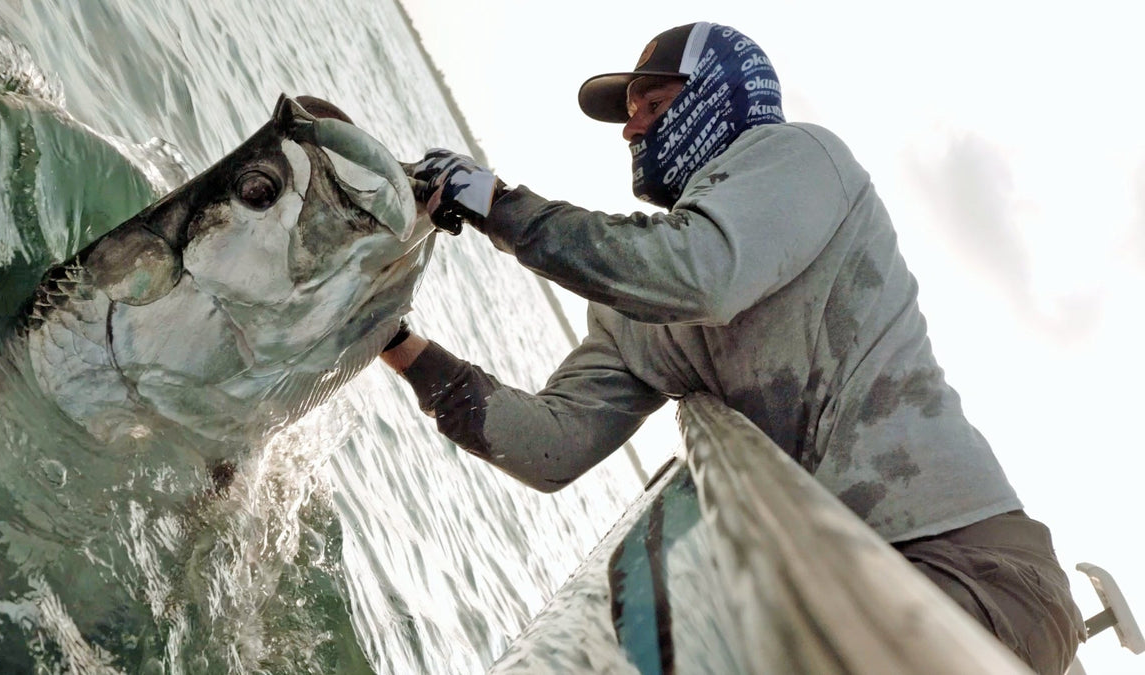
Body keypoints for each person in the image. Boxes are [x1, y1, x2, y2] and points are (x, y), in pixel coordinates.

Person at [382, 22, 1085, 673]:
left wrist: (496, 205)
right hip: (812, 573)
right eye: (629, 112)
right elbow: (550, 447)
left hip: (972, 569)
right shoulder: (639, 310)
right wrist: (395, 339)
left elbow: (703, 274)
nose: (630, 127)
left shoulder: (802, 160)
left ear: (723, 94)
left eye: (652, 104)